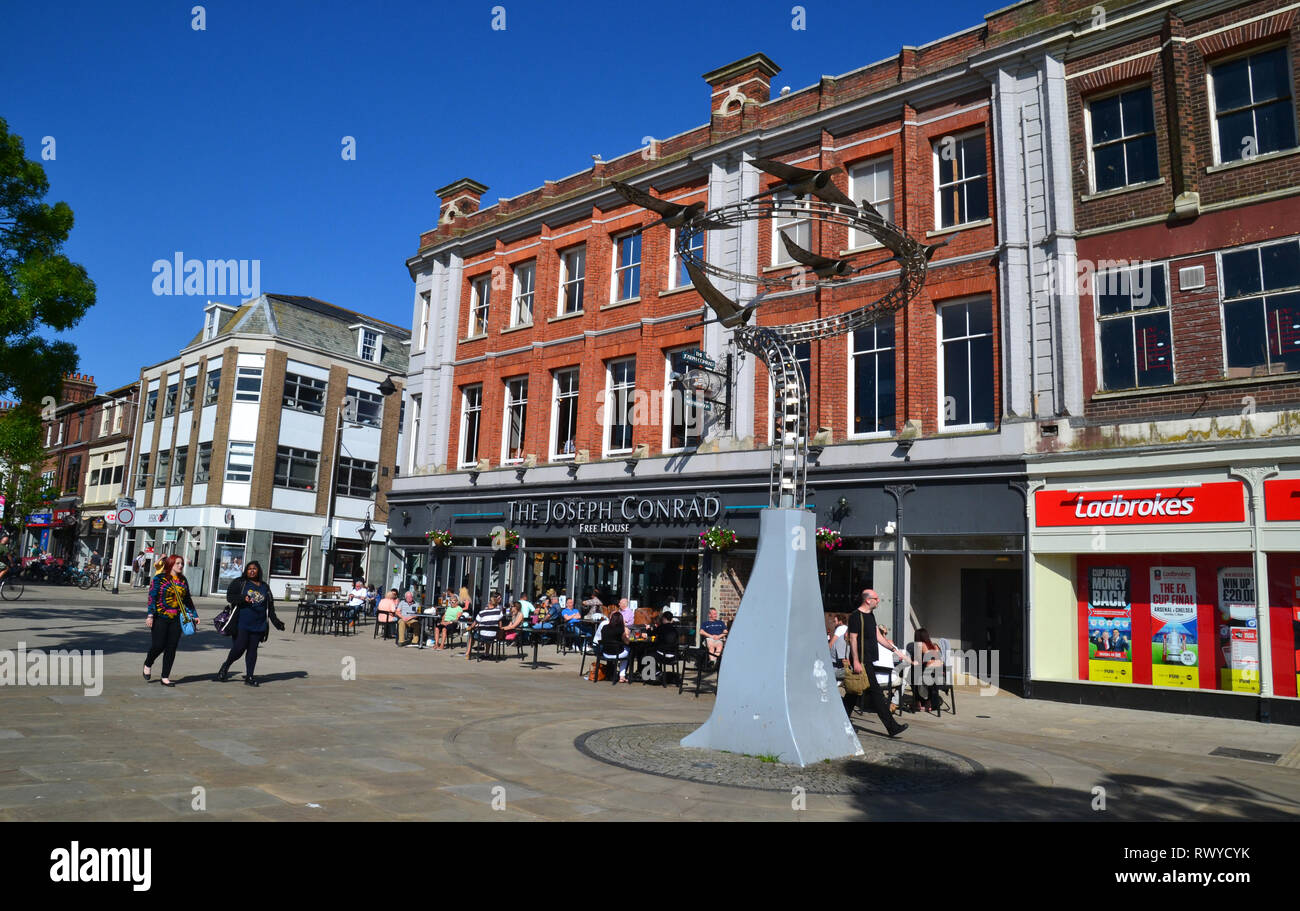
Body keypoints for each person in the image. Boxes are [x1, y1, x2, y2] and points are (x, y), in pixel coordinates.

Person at [844, 589, 908, 738]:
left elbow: (878, 635)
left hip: (869, 660)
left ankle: (839, 720)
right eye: (876, 598)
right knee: (876, 694)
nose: (878, 601)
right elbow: (852, 639)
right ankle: (892, 727)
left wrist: (893, 649)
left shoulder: (870, 615)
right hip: (861, 661)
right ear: (868, 600)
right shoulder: (855, 616)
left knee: (853, 694)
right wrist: (856, 661)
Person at [217, 561, 284, 686]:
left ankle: (249, 677)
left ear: (258, 571)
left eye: (254, 569)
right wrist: (243, 598)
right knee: (239, 648)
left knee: (253, 650)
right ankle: (226, 665)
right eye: (249, 569)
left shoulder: (265, 587)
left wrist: (276, 622)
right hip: (242, 622)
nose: (252, 571)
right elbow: (230, 597)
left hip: (259, 624)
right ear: (246, 571)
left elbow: (270, 607)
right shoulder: (240, 583)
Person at [143, 555, 200, 687]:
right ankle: (148, 663)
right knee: (158, 645)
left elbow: (187, 600)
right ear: (171, 564)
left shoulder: (183, 580)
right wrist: (150, 615)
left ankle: (165, 677)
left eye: (182, 564)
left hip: (176, 618)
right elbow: (152, 597)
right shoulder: (159, 578)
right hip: (160, 617)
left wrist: (194, 615)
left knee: (171, 647)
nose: (180, 566)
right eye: (178, 563)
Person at [911, 627, 946, 712]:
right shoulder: (935, 646)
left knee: (912, 675)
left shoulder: (920, 645)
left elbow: (922, 662)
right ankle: (927, 702)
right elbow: (940, 662)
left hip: (928, 676)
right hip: (941, 677)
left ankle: (918, 702)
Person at [465, 594, 504, 659]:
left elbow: (474, 624)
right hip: (493, 636)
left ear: (489, 603)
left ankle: (468, 653)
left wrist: (470, 627)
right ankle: (486, 653)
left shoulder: (482, 612)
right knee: (490, 632)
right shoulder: (499, 612)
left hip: (482, 636)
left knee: (472, 635)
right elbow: (500, 625)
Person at [599, 611, 631, 684]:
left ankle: (614, 674)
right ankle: (622, 676)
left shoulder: (604, 627)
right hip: (616, 653)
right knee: (629, 651)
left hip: (605, 653)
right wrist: (626, 632)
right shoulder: (621, 629)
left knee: (623, 650)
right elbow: (627, 642)